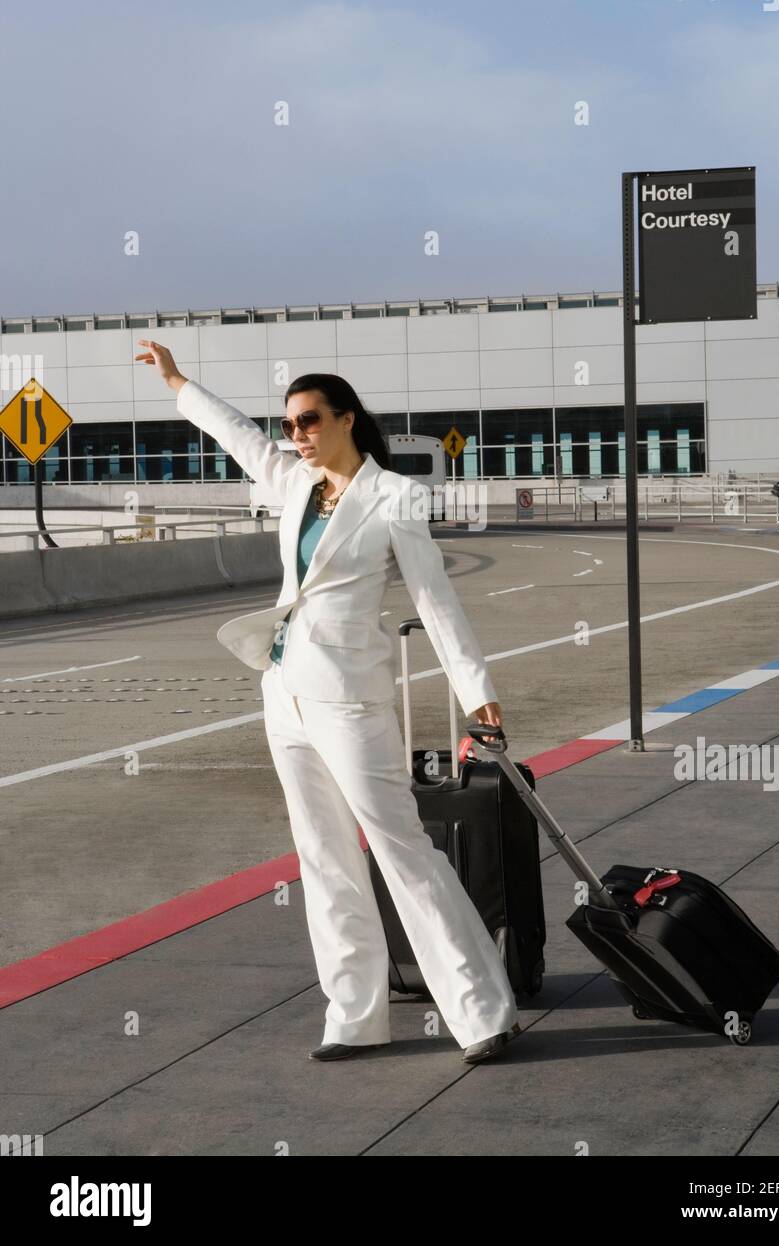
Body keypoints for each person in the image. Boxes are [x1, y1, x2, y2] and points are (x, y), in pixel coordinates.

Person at [136, 339, 521, 1065]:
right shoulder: (294, 485)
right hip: (284, 692)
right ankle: (354, 1013)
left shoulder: (396, 496)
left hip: (350, 700)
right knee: (322, 857)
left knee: (403, 850)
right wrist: (179, 382)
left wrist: (478, 692)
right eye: (290, 425)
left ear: (346, 419)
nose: (297, 436)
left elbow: (435, 602)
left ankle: (482, 1009)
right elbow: (237, 437)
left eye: (309, 421)